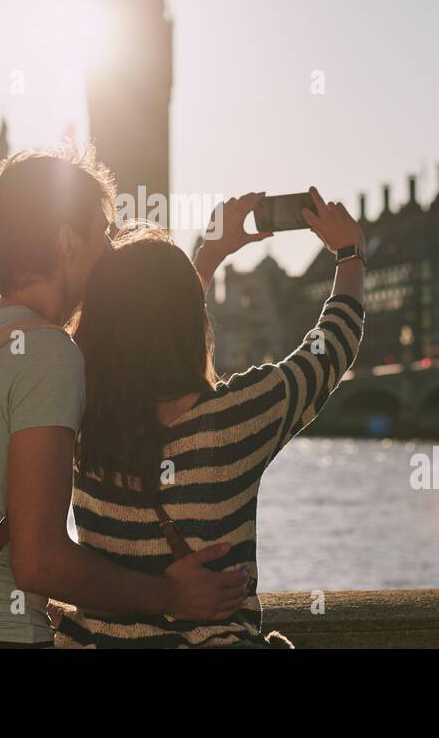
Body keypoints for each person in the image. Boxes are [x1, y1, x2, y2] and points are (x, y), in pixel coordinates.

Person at [0, 147, 249, 647]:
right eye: (103, 236)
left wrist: (206, 260)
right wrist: (169, 596)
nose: (111, 254)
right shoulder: (49, 355)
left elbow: (149, 341)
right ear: (68, 243)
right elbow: (39, 562)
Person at [52, 188, 366, 647]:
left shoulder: (77, 414)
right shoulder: (239, 417)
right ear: (193, 321)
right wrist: (350, 254)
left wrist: (208, 254)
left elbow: (142, 327)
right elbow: (332, 346)